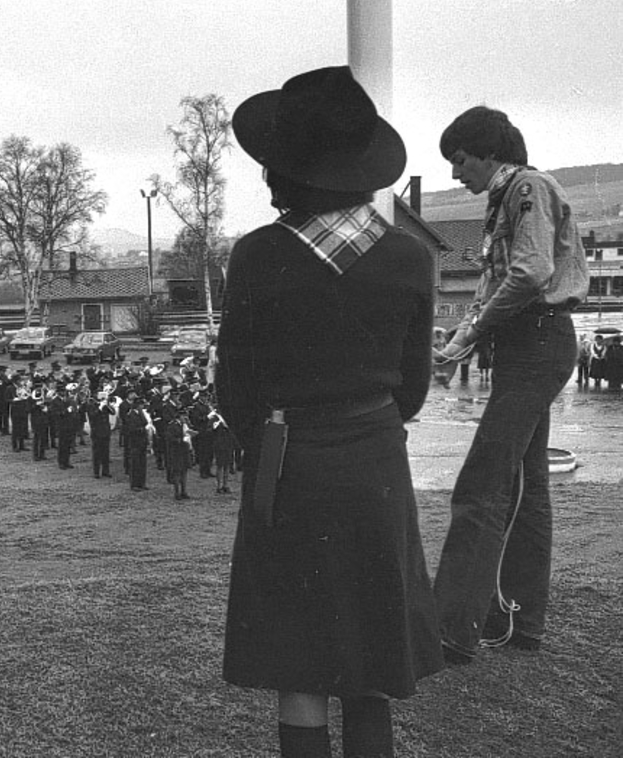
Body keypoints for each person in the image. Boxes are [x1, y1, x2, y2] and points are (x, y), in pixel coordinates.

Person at [218, 66, 442, 758]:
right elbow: (414, 387)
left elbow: (234, 389)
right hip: (377, 461)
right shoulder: (410, 256)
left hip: (289, 465)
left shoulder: (256, 256)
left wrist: (272, 437)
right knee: (371, 657)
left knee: (300, 657)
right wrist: (368, 422)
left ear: (286, 171)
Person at [433, 106, 589, 665]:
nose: (456, 174)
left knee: (481, 487)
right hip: (529, 344)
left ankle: (450, 630)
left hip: (537, 341)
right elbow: (496, 284)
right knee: (527, 484)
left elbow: (528, 273)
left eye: (460, 160)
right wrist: (459, 344)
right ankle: (520, 622)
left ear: (489, 152)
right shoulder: (506, 198)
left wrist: (472, 332)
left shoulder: (527, 188)